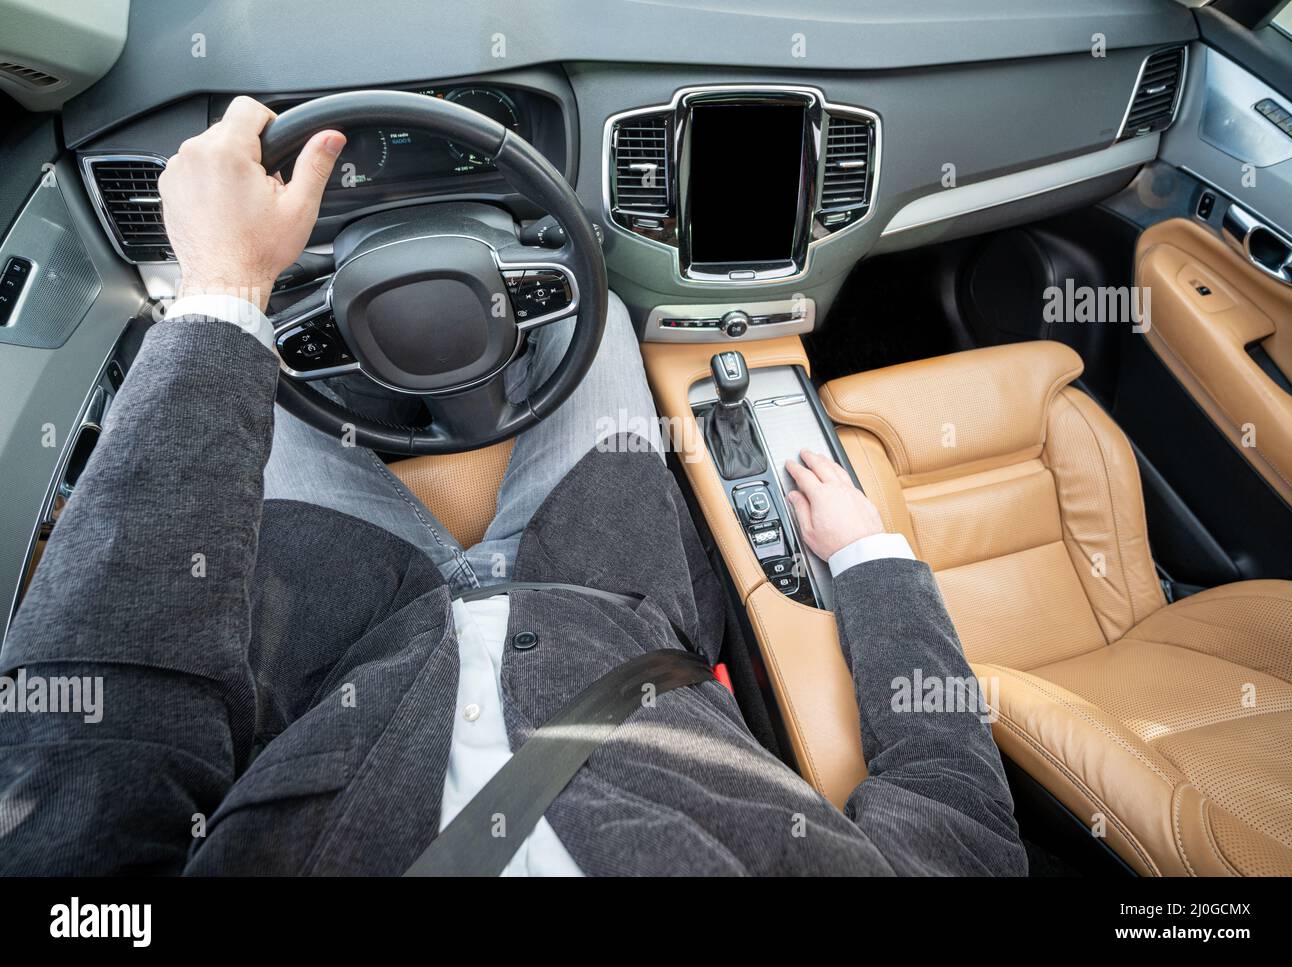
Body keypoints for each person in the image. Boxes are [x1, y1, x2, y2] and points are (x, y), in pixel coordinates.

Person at [0, 98, 1026, 876]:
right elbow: (958, 819)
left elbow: (95, 752)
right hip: (609, 602)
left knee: (237, 385)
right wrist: (868, 556)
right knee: (607, 317)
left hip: (340, 649)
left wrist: (227, 291)